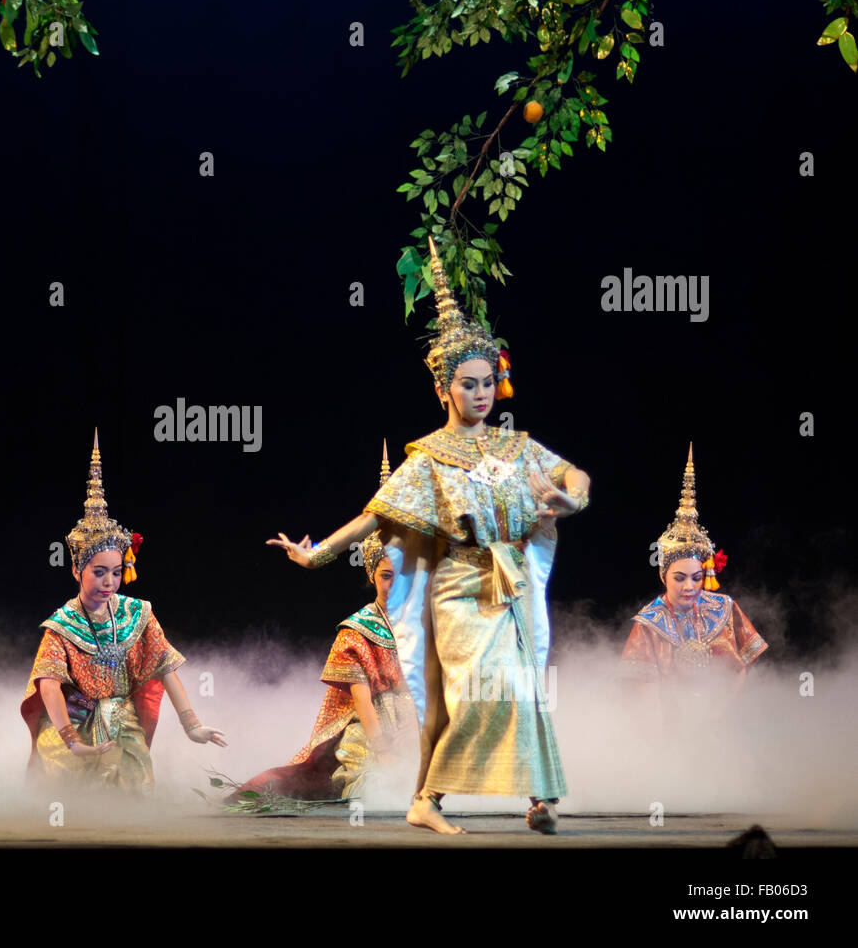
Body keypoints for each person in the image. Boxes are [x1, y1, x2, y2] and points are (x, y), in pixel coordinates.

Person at [269, 237, 590, 834]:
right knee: (472, 694)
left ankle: (540, 798)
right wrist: (315, 556)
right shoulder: (428, 460)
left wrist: (569, 496)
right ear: (443, 389)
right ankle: (428, 801)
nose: (482, 393)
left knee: (520, 688)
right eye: (467, 384)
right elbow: (375, 516)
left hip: (512, 582)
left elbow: (574, 472)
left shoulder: (513, 447)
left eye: (488, 381)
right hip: (463, 587)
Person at [20, 431, 226, 794]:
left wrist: (191, 725)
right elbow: (49, 684)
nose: (110, 582)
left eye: (116, 572)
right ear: (76, 570)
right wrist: (71, 740)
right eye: (99, 572)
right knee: (66, 791)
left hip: (121, 719)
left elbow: (164, 668)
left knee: (132, 790)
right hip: (75, 720)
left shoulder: (137, 613)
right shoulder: (62, 625)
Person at [236, 442, 417, 801]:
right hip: (372, 731)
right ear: (371, 574)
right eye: (386, 577)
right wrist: (384, 751)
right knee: (377, 789)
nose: (395, 587)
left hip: (417, 725)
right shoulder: (358, 632)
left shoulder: (425, 624)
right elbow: (364, 703)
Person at [618, 445, 767, 721]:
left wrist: (718, 713)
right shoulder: (649, 623)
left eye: (697, 578)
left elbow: (740, 668)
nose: (689, 587)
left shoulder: (723, 609)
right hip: (668, 723)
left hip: (722, 716)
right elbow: (643, 691)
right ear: (663, 575)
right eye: (679, 578)